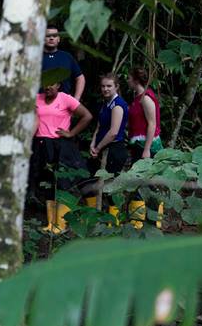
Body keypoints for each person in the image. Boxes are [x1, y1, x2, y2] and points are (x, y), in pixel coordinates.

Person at [32, 82, 92, 234]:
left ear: (58, 85)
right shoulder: (37, 99)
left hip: (60, 145)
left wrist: (71, 133)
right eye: (46, 83)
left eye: (52, 84)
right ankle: (51, 223)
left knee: (63, 182)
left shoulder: (65, 98)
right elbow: (34, 121)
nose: (48, 87)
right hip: (41, 144)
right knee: (48, 181)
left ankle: (62, 223)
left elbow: (87, 116)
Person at [126, 67, 164, 228]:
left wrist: (147, 149)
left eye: (128, 78)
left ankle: (153, 222)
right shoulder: (137, 97)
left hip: (148, 146)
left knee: (149, 184)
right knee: (139, 183)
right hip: (137, 144)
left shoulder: (146, 98)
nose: (127, 80)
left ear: (135, 80)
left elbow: (152, 124)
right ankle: (138, 221)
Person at [88, 74, 129, 222]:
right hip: (101, 149)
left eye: (109, 86)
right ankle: (93, 218)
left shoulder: (117, 105)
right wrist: (93, 144)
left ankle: (113, 223)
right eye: (103, 86)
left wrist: (98, 148)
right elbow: (99, 126)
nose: (105, 89)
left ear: (116, 86)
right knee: (92, 182)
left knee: (112, 187)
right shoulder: (106, 104)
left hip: (114, 150)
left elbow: (113, 133)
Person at [42, 25, 86, 101]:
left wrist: (76, 99)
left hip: (64, 103)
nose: (51, 38)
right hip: (40, 103)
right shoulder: (36, 58)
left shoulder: (67, 57)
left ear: (58, 39)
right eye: (48, 36)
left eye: (54, 36)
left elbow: (80, 78)